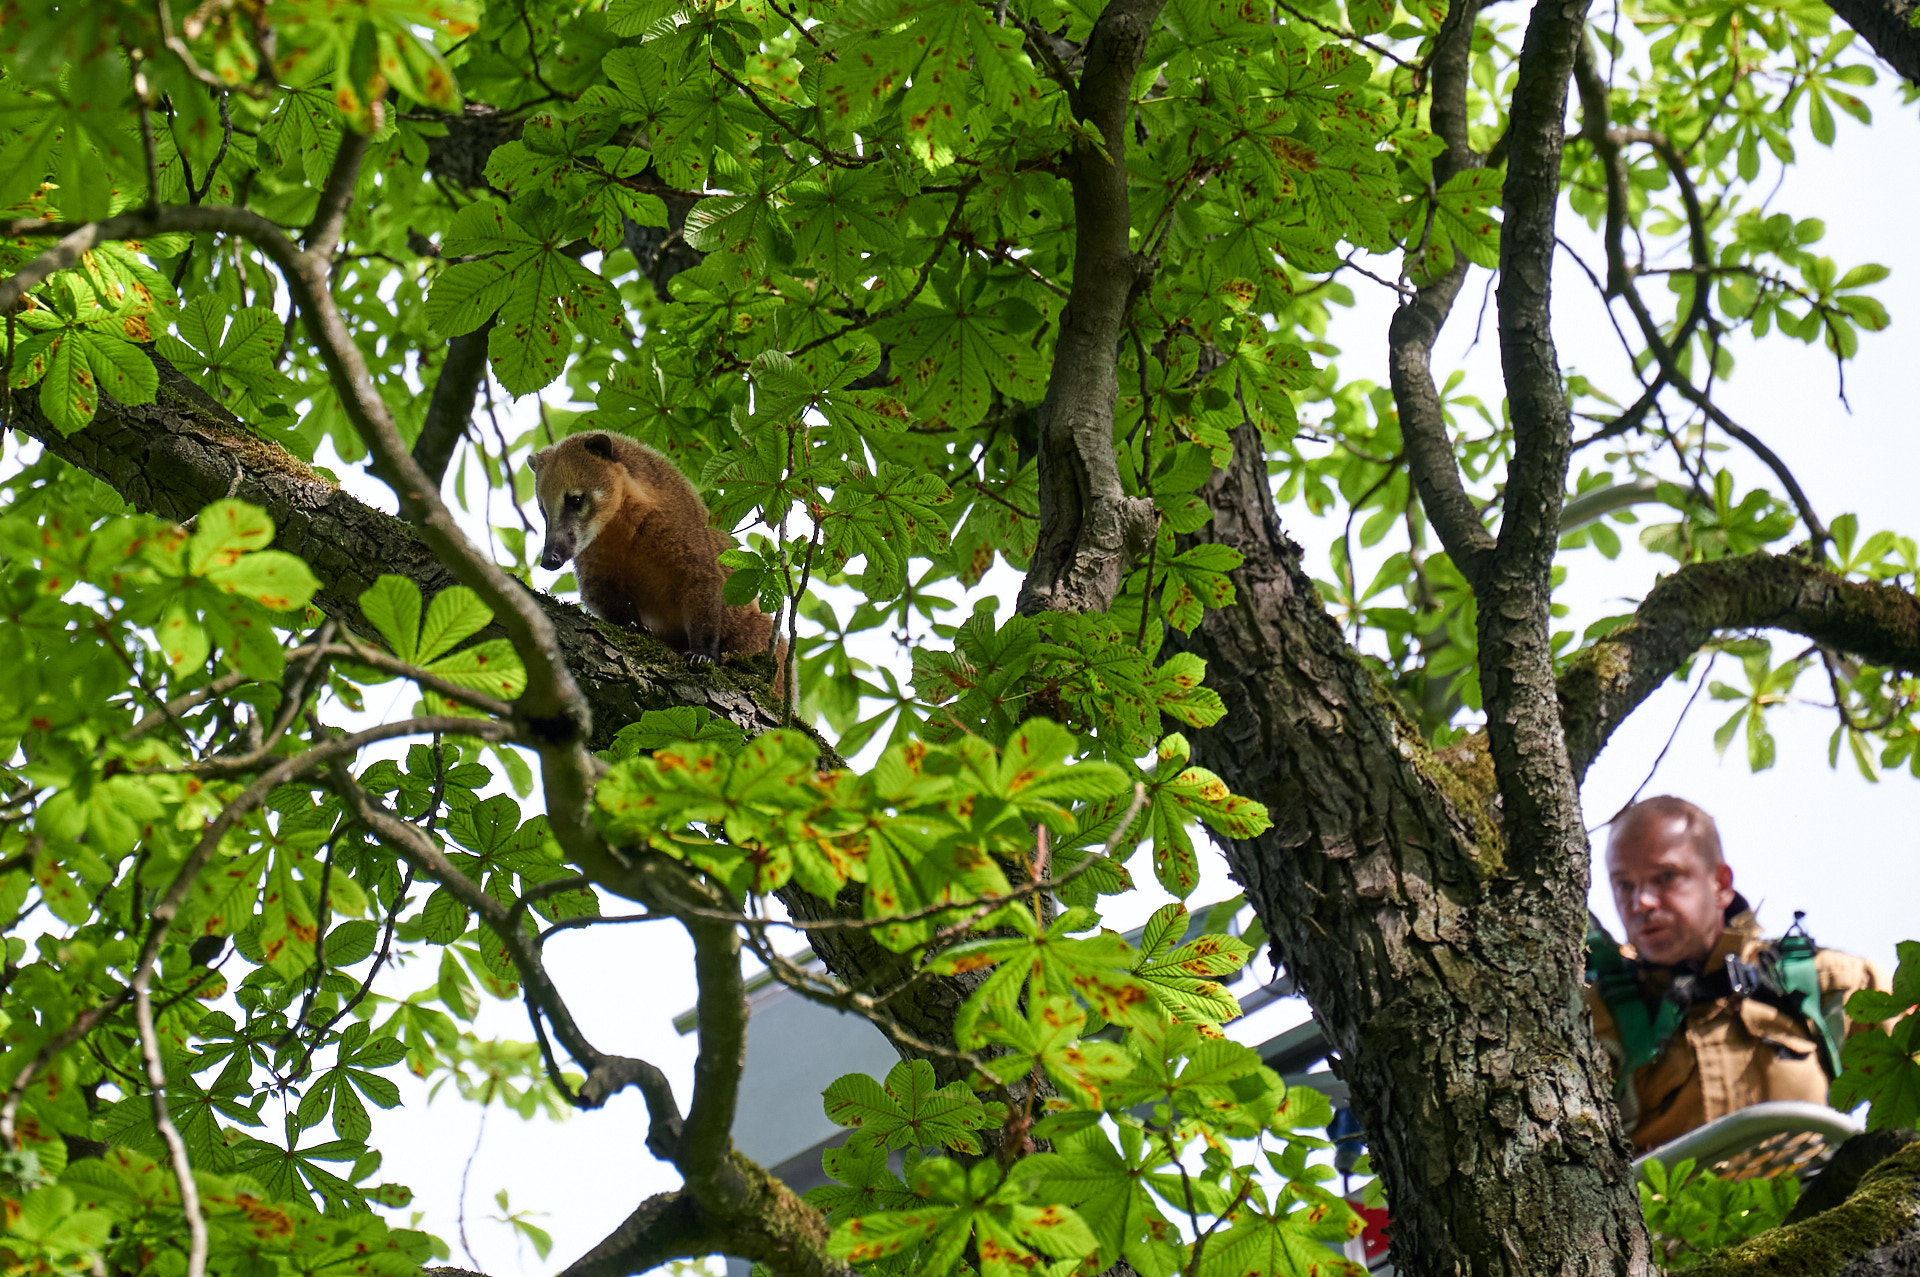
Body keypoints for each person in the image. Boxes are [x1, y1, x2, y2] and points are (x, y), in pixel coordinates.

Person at [1584, 796, 1890, 1151]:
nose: (1642, 902)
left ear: (1721, 883)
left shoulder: (1832, 984)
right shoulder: (1594, 1021)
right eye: (1624, 885)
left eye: (1666, 877)